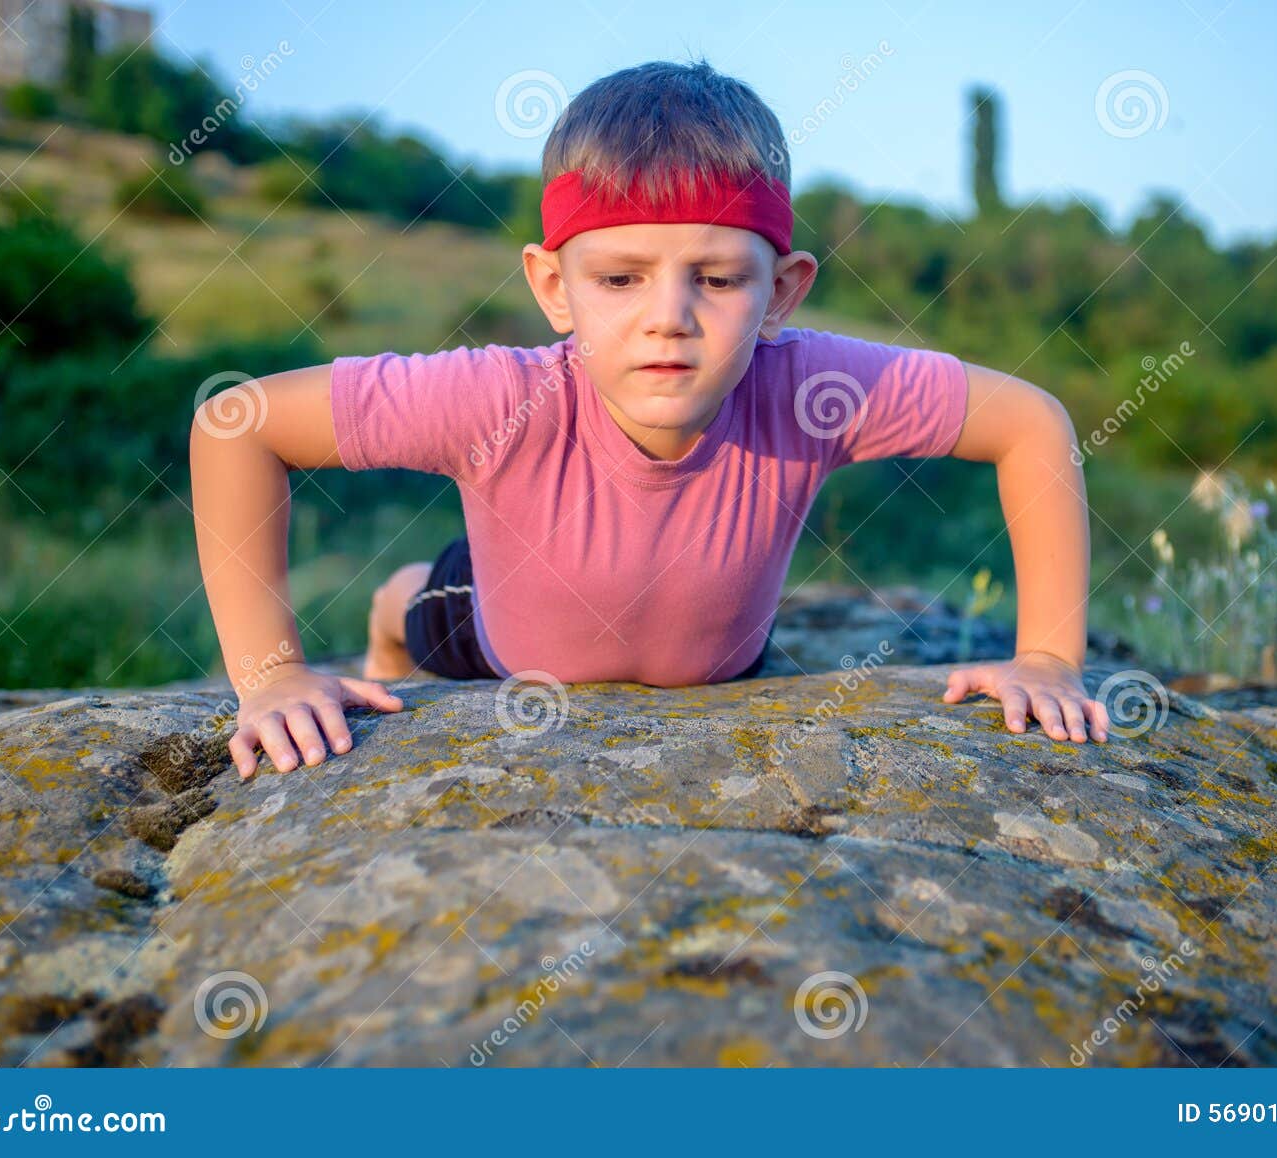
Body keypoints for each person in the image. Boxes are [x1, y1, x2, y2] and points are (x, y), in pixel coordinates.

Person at [189, 60, 1110, 782]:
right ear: (554, 286)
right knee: (426, 602)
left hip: (721, 666)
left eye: (716, 278)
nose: (669, 315)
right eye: (620, 278)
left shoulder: (811, 388)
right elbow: (237, 425)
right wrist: (270, 674)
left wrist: (1048, 659)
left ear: (782, 291)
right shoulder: (496, 399)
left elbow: (1029, 422)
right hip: (498, 640)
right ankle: (394, 611)